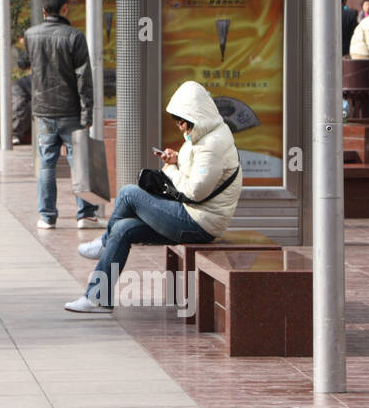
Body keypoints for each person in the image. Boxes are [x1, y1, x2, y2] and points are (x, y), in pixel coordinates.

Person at [67, 80, 242, 313]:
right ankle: (97, 298)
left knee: (129, 193)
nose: (180, 126)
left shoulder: (212, 143)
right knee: (122, 230)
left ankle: (104, 243)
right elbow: (199, 171)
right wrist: (177, 159)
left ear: (196, 115)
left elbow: (195, 191)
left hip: (199, 223)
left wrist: (170, 170)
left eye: (182, 121)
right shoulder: (203, 135)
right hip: (193, 213)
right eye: (176, 121)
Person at [24, 0, 104, 231]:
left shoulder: (30, 35)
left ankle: (47, 217)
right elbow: (83, 77)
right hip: (71, 111)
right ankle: (85, 215)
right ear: (65, 9)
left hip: (43, 110)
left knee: (47, 163)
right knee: (79, 162)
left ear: (43, 11)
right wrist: (87, 112)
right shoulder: (74, 36)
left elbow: (30, 68)